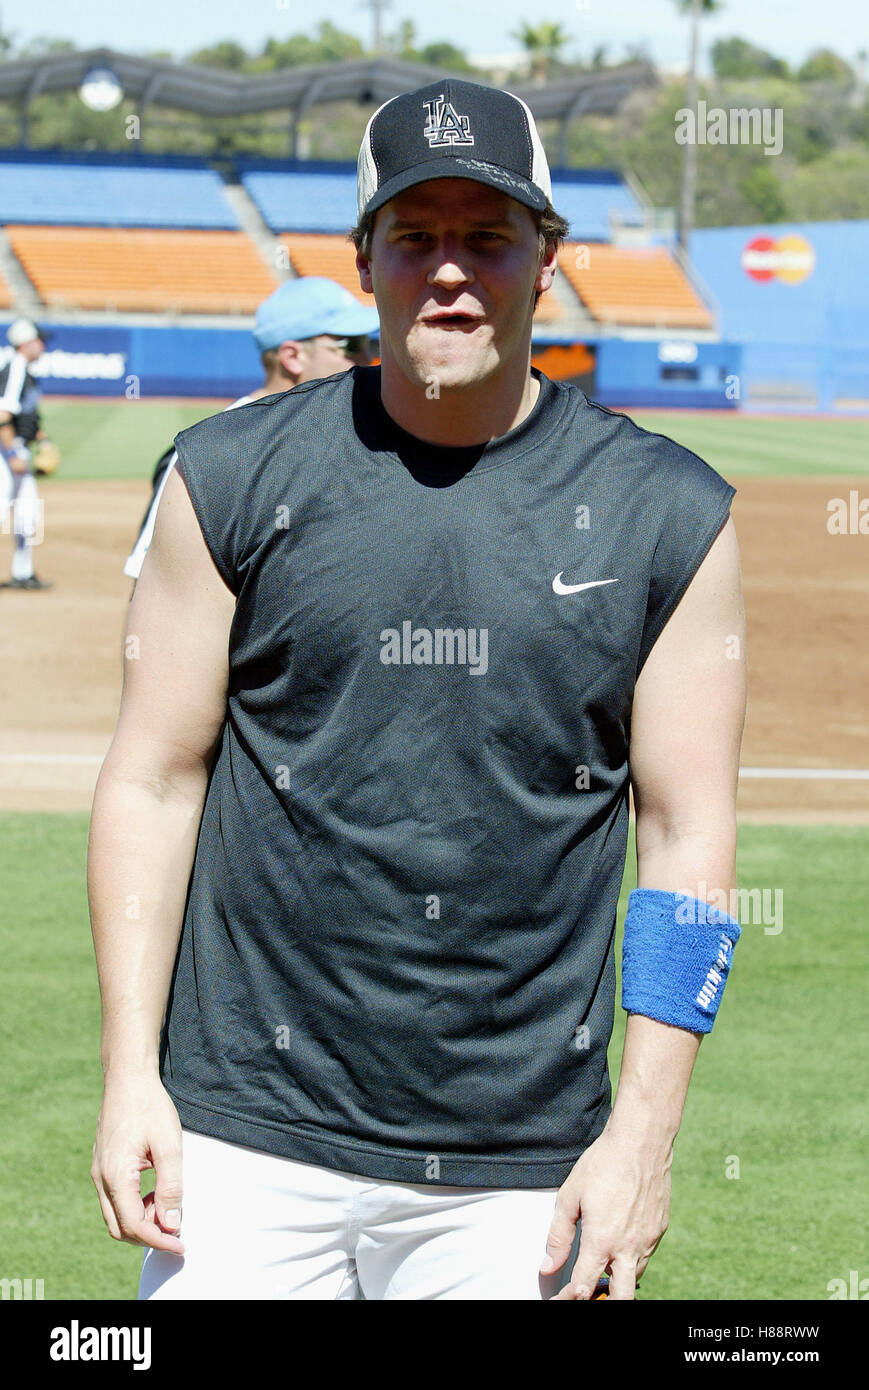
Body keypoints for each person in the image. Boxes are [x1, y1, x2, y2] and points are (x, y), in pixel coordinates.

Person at [88, 78, 747, 1301]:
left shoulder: (668, 512)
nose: (450, 269)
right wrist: (132, 1069)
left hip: (522, 1173)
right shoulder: (226, 476)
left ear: (545, 258)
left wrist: (642, 1142)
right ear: (366, 260)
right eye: (416, 233)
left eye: (487, 235)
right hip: (240, 1144)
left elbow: (685, 832)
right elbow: (153, 775)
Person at [123, 277, 378, 581]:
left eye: (371, 343)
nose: (369, 359)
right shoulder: (207, 456)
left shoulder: (354, 437)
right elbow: (152, 591)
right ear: (293, 356)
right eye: (352, 345)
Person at [0, 318, 52, 590]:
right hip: (6, 451)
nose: (44, 346)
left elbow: (27, 416)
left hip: (16, 448)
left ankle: (22, 572)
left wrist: (43, 441)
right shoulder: (15, 368)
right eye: (40, 341)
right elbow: (2, 414)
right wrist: (12, 454)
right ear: (28, 343)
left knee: (27, 512)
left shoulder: (25, 371)